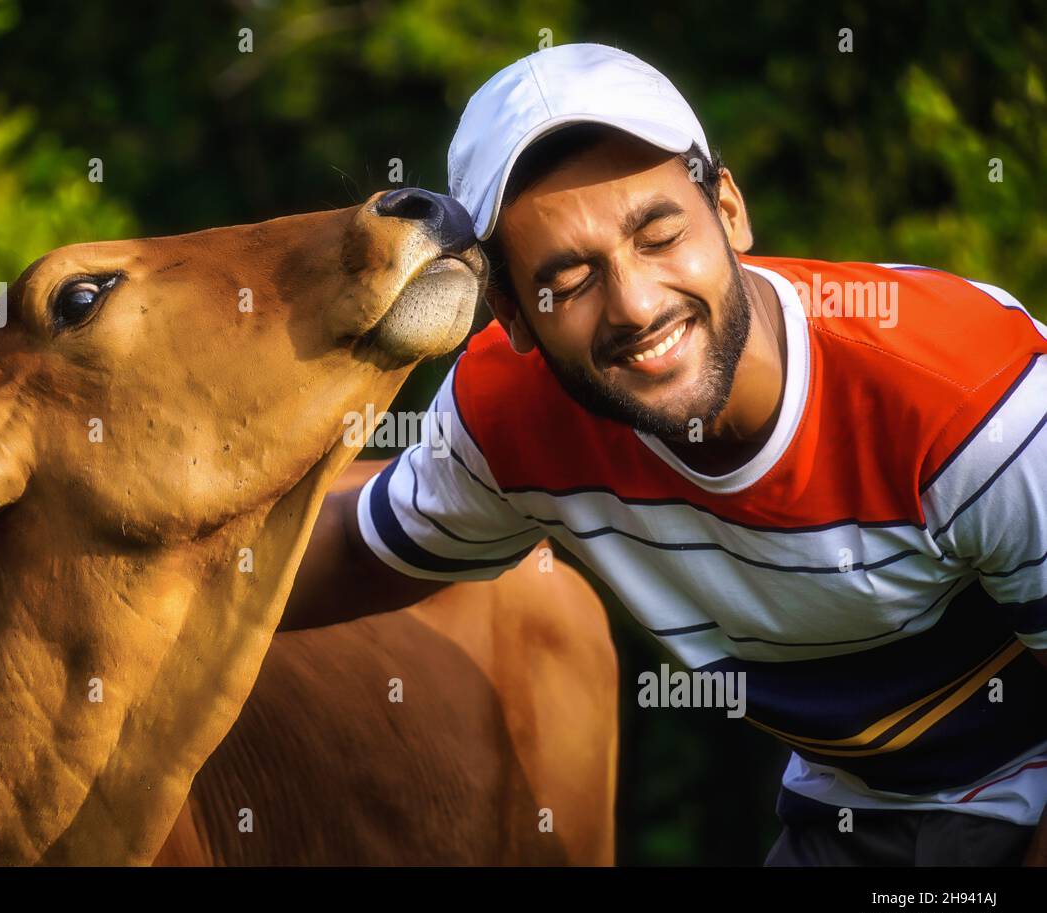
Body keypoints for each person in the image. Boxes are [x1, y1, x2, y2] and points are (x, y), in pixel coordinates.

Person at [281, 42, 1047, 866]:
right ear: (509, 312)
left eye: (659, 234)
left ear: (729, 207)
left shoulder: (969, 395)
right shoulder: (508, 420)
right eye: (569, 283)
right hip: (858, 815)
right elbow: (354, 554)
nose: (636, 306)